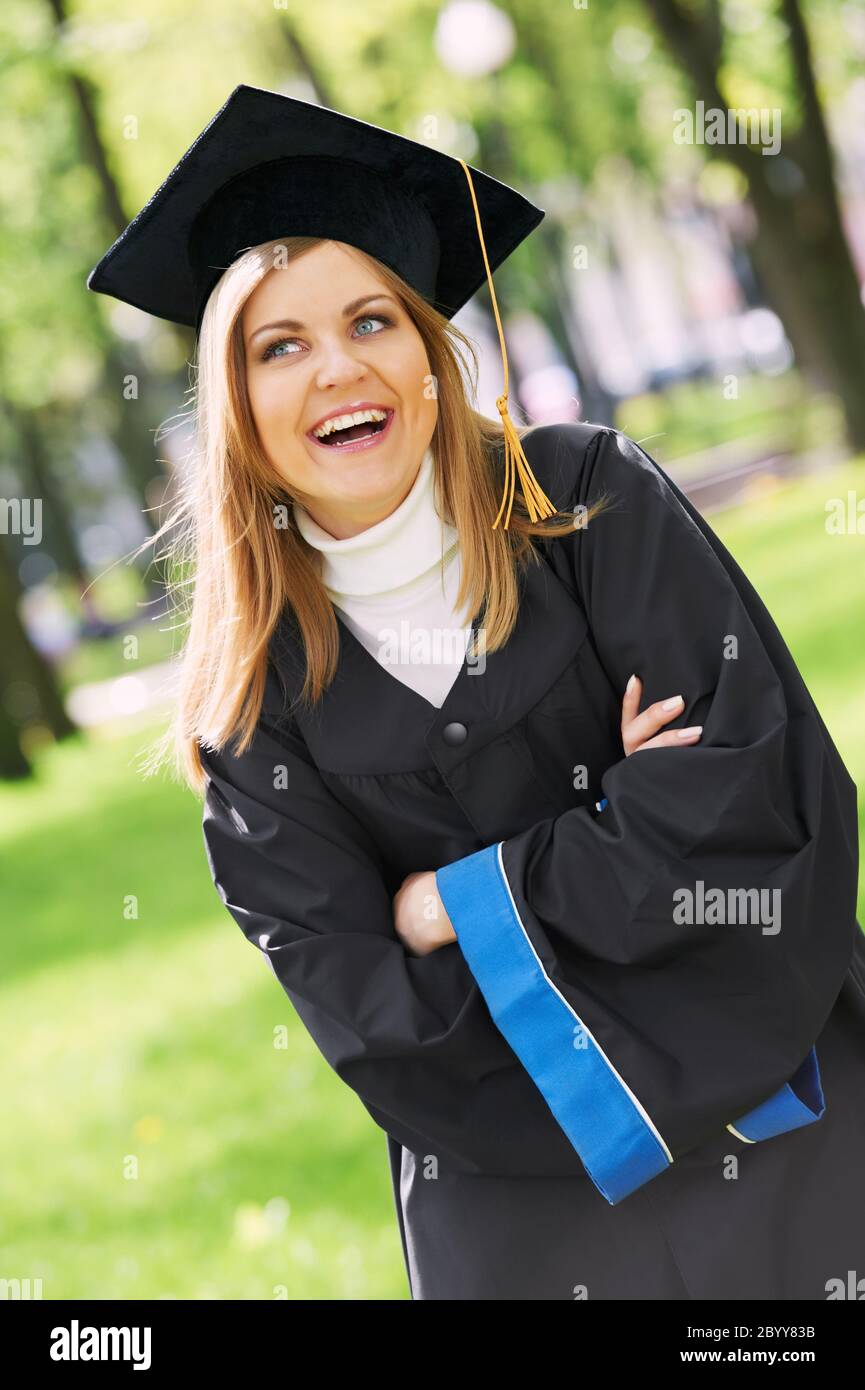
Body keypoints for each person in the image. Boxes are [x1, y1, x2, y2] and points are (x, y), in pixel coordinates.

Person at [88, 83, 865, 1300]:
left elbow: (745, 819)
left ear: (429, 340)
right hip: (524, 1229)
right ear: (234, 401)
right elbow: (381, 1026)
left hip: (799, 1142)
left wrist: (452, 904)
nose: (337, 370)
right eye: (278, 346)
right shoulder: (250, 704)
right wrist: (615, 829)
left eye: (371, 320)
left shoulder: (589, 505)